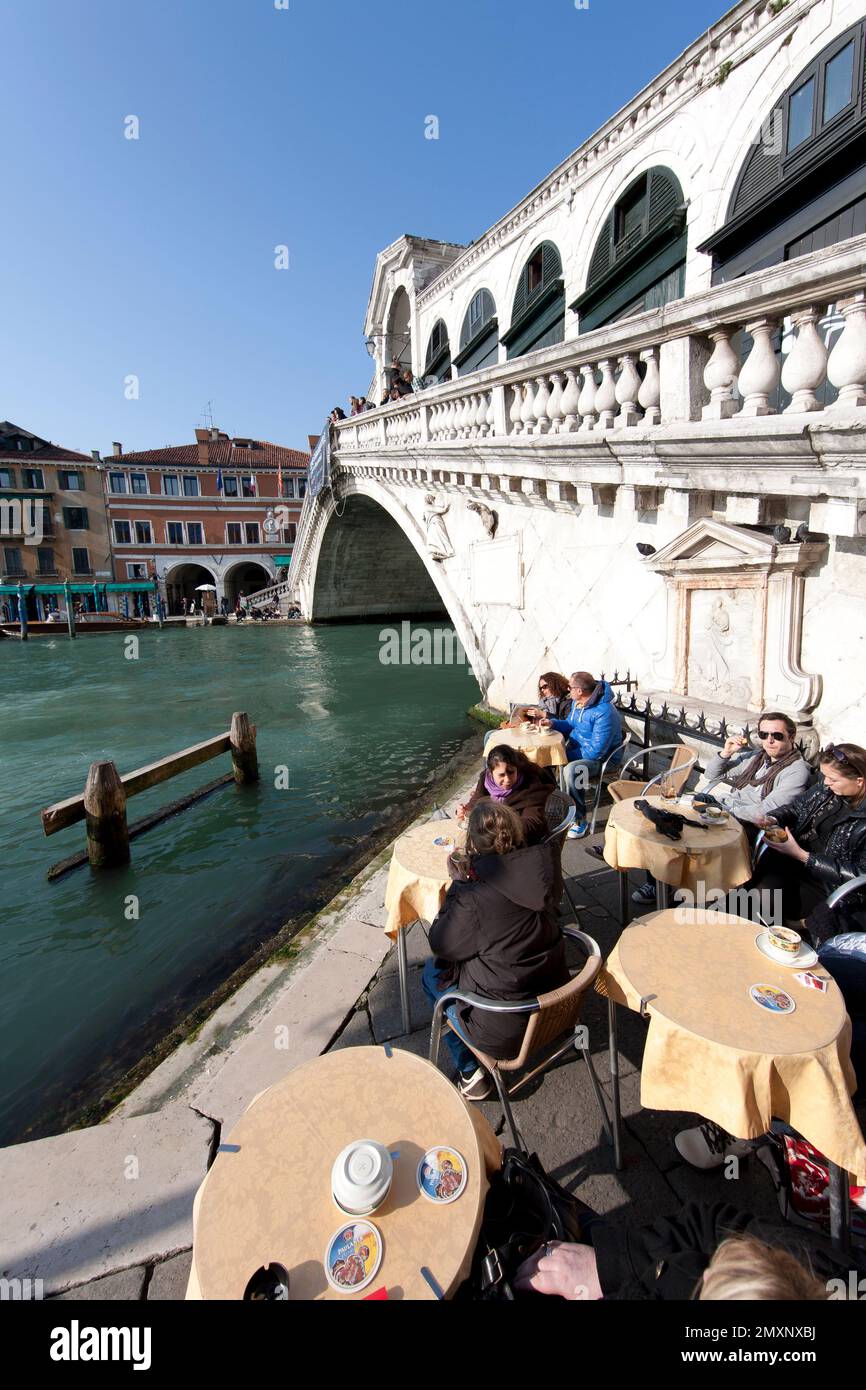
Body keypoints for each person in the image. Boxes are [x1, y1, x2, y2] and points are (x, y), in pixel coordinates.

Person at [422, 802, 568, 1101]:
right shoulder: (543, 868)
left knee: (429, 973)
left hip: (504, 1028)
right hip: (559, 1004)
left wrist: (457, 887)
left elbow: (441, 943)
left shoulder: (473, 897)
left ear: (472, 843)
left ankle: (470, 1073)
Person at [512, 1198, 861, 1300]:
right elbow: (714, 1224)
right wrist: (605, 1266)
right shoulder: (835, 1276)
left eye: (710, 1288)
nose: (706, 1271)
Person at [631, 711, 811, 906]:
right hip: (724, 806)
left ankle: (677, 886)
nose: (769, 741)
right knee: (668, 816)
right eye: (763, 735)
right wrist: (726, 753)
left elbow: (764, 812)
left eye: (777, 736)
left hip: (747, 821)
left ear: (791, 738)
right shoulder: (757, 758)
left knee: (683, 830)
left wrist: (723, 808)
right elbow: (712, 774)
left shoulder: (796, 770)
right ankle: (658, 881)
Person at [541, 672, 623, 838]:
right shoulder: (578, 704)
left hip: (603, 760)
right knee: (546, 757)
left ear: (579, 691)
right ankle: (560, 804)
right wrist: (553, 723)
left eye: (570, 687)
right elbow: (571, 724)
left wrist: (564, 755)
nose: (567, 689)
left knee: (573, 770)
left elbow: (595, 752)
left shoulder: (604, 712)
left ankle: (580, 820)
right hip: (580, 750)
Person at [455, 746, 554, 846]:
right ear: (491, 772)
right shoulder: (486, 780)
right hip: (495, 838)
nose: (507, 779)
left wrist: (499, 830)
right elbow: (477, 798)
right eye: (501, 775)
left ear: (517, 769)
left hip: (523, 842)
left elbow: (533, 823)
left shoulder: (531, 787)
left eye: (511, 772)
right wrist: (466, 809)